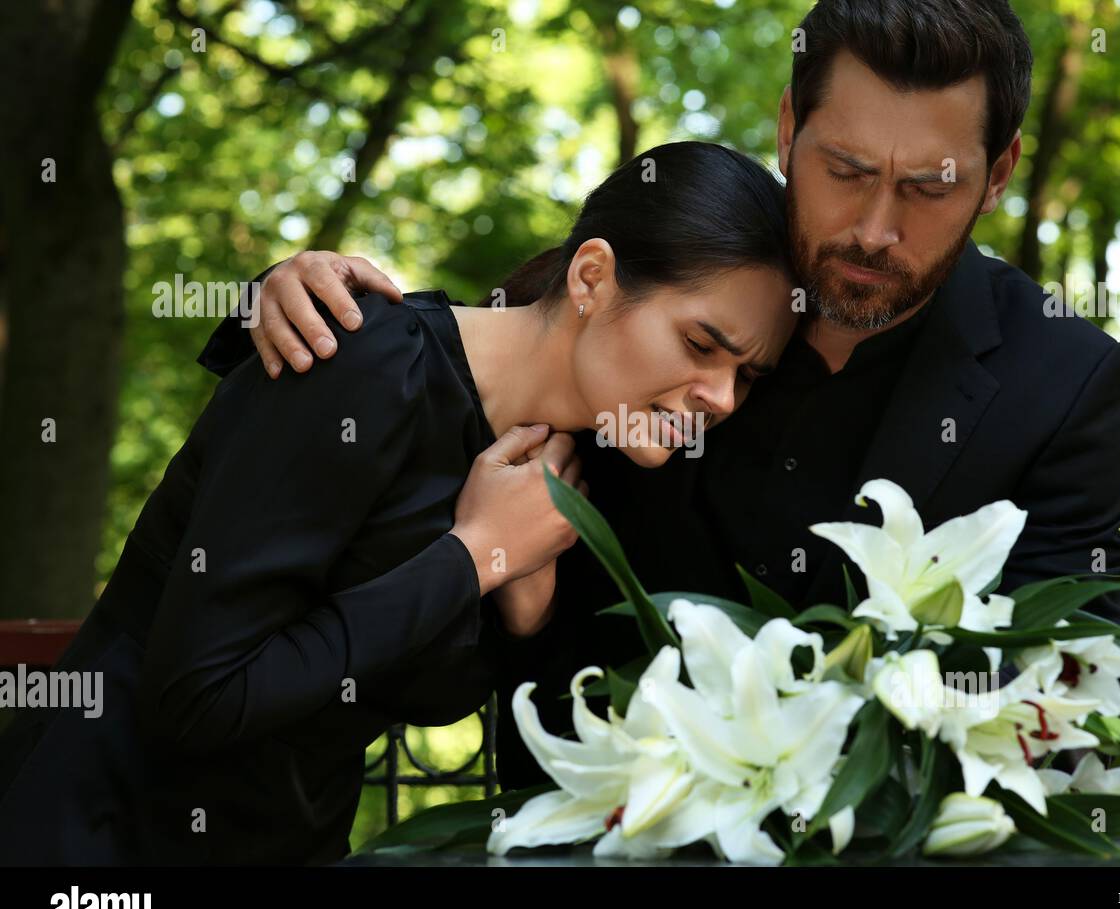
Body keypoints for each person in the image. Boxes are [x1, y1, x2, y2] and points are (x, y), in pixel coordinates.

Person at [226, 0, 1120, 793]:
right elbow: (506, 342)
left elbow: (1072, 673)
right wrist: (300, 295)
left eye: (928, 187)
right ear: (787, 129)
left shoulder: (1062, 377)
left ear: (1001, 171)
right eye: (845, 170)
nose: (873, 228)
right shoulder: (696, 268)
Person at [0, 141, 798, 864]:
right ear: (592, 276)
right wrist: (472, 557)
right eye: (701, 345)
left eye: (746, 376)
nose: (723, 398)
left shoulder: (566, 479)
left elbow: (435, 691)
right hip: (97, 841)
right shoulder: (363, 359)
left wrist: (521, 599)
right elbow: (199, 696)